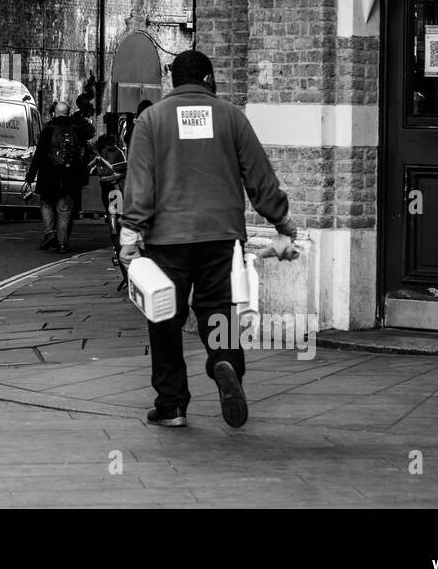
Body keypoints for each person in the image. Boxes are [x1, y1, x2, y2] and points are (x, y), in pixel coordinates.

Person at [118, 50, 297, 430]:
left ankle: (172, 405)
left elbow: (140, 185)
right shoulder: (232, 117)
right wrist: (282, 222)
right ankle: (224, 361)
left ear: (172, 81)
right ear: (210, 79)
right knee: (220, 310)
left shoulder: (151, 120)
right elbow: (259, 178)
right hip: (222, 236)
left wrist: (130, 237)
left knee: (164, 315)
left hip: (167, 239)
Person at [24, 101, 95, 253]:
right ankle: (63, 243)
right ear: (68, 113)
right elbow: (84, 154)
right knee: (64, 210)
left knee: (46, 204)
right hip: (70, 177)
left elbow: (40, 154)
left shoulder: (49, 129)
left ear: (55, 113)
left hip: (49, 175)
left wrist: (30, 176)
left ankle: (49, 232)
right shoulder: (77, 130)